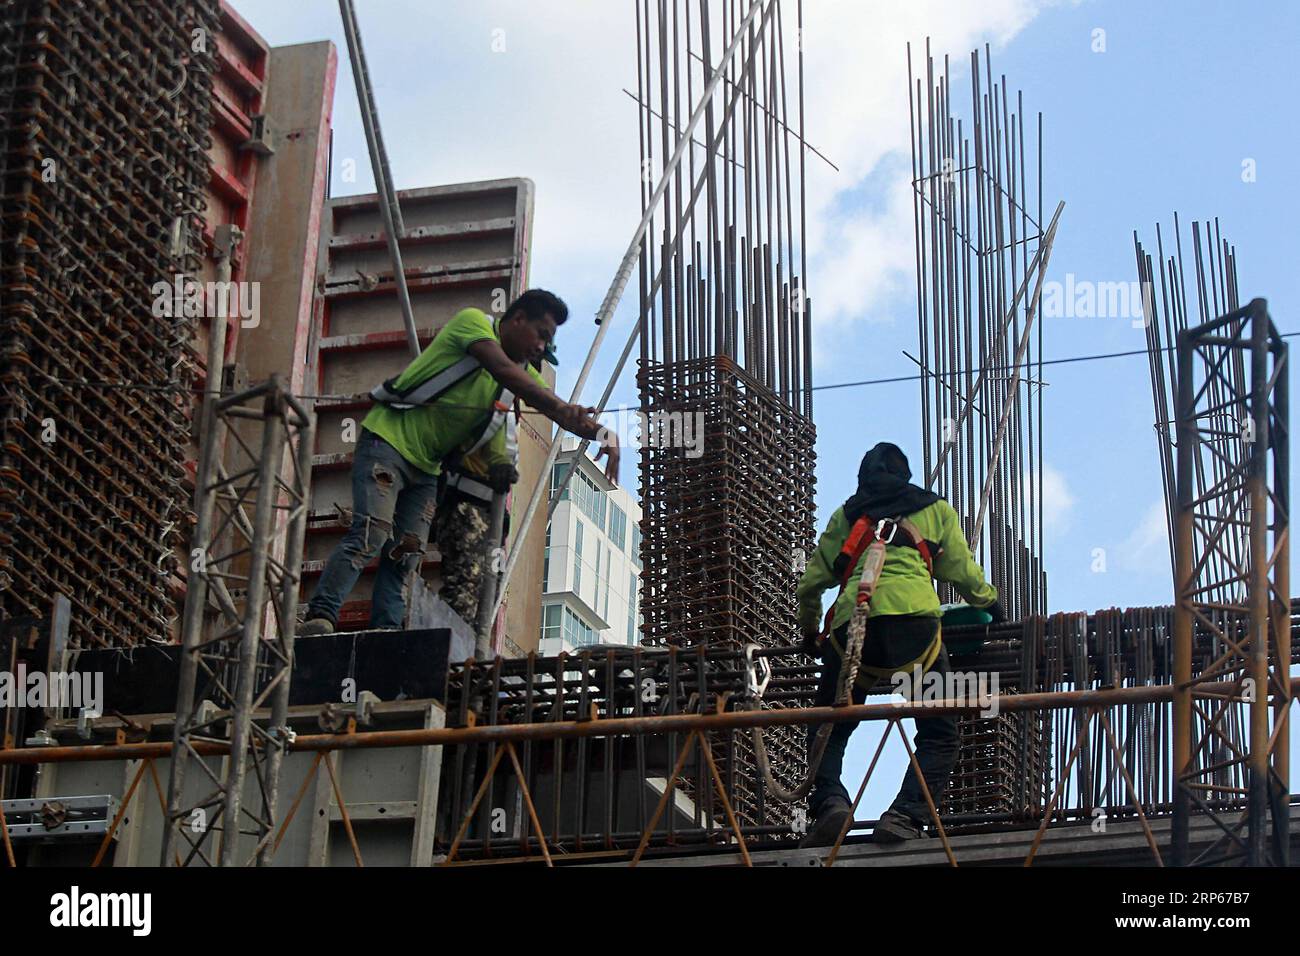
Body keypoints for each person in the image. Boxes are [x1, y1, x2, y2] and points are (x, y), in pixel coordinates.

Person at [302, 290, 617, 634]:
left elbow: (556, 410)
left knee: (405, 555)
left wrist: (603, 433)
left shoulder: (519, 377)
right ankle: (321, 615)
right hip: (388, 442)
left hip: (426, 469)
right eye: (541, 334)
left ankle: (385, 632)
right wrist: (560, 408)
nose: (542, 346)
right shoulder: (473, 324)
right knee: (372, 532)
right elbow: (505, 372)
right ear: (518, 319)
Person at [795, 442, 1003, 847]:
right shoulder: (935, 510)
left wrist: (808, 633)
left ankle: (831, 804)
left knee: (827, 726)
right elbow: (962, 570)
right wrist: (991, 604)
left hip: (853, 632)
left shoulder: (846, 516)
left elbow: (812, 584)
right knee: (939, 732)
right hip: (917, 633)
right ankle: (904, 816)